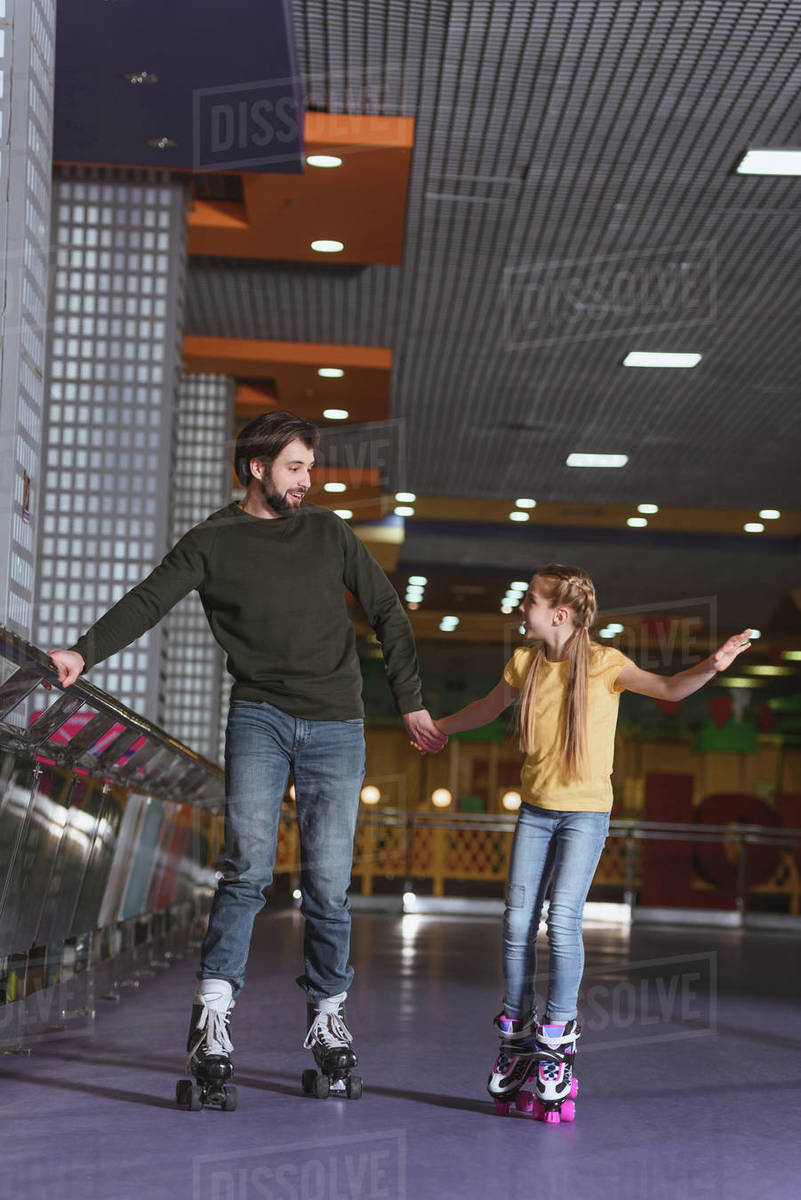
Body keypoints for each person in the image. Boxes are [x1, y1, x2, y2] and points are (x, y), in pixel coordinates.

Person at [49, 409, 446, 1104]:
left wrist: (409, 701)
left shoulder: (328, 531)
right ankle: (212, 1021)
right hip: (259, 718)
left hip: (337, 724)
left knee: (328, 885)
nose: (306, 480)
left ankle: (328, 1019)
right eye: (295, 467)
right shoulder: (213, 541)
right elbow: (148, 602)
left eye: (309, 468)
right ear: (257, 468)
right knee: (246, 871)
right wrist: (84, 653)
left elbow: (388, 611)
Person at [423, 563, 752, 1124]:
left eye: (529, 600)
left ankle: (556, 1041)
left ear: (559, 614)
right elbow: (487, 708)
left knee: (563, 919)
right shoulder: (524, 663)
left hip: (585, 815)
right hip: (535, 811)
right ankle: (515, 1038)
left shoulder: (606, 664)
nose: (521, 608)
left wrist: (714, 664)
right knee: (516, 921)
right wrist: (440, 727)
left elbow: (669, 688)